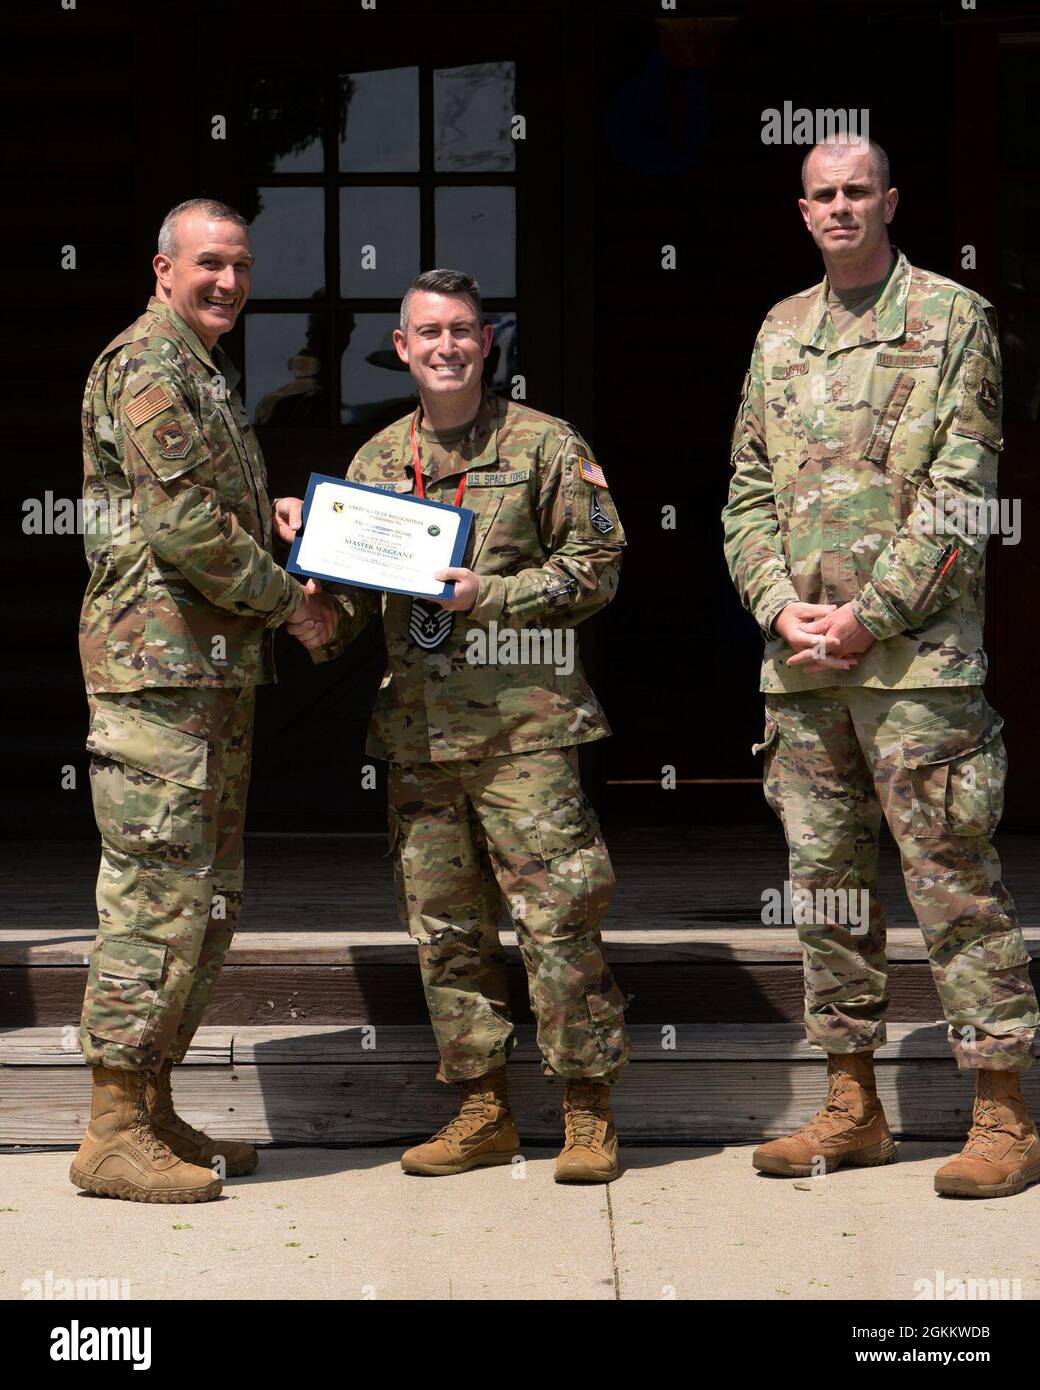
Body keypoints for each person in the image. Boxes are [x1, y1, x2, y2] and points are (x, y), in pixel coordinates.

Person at [722, 136, 1040, 1198]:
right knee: (824, 893)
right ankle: (850, 1104)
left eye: (858, 191)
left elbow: (961, 489)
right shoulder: (778, 333)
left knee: (952, 888)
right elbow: (745, 494)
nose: (840, 208)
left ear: (890, 200)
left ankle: (999, 1110)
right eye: (822, 195)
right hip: (802, 669)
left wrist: (872, 614)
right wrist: (777, 603)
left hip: (918, 671)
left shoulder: (953, 320)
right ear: (800, 210)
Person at [280, 269, 631, 1182]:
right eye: (428, 332)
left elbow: (598, 566)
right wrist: (312, 610)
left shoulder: (545, 445)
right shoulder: (373, 466)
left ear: (487, 344)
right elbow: (358, 606)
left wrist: (493, 595)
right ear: (402, 348)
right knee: (445, 930)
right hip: (420, 738)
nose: (446, 347)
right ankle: (483, 1110)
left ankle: (586, 1111)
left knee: (558, 921)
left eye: (463, 331)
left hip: (527, 733)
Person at [71, 198, 332, 1203]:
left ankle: (151, 1099)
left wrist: (263, 515)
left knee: (206, 900)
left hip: (206, 672)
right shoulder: (146, 363)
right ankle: (108, 1129)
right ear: (163, 268)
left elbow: (193, 508)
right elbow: (181, 530)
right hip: (158, 674)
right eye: (207, 263)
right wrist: (290, 607)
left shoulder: (203, 373)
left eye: (240, 265)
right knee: (153, 893)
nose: (226, 280)